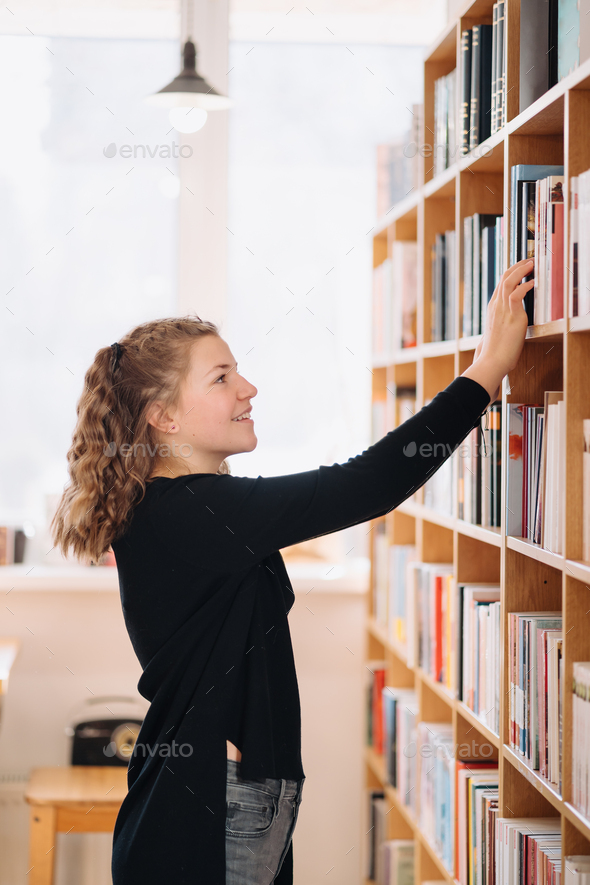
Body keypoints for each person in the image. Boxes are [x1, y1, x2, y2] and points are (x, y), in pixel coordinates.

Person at [51, 257, 533, 885]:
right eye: (222, 377)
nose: (248, 388)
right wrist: (487, 369)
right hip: (214, 802)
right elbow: (369, 484)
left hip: (216, 793)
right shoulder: (193, 512)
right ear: (164, 417)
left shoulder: (180, 509)